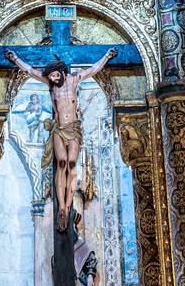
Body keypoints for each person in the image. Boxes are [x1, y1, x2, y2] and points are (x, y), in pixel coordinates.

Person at [6, 47, 117, 231]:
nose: (54, 79)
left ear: (63, 72)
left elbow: (93, 70)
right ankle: (61, 211)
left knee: (72, 164)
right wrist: (16, 58)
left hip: (73, 129)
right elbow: (31, 71)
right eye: (51, 77)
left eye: (56, 76)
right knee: (62, 164)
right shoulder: (50, 85)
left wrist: (107, 56)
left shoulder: (74, 80)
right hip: (58, 129)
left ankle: (67, 204)